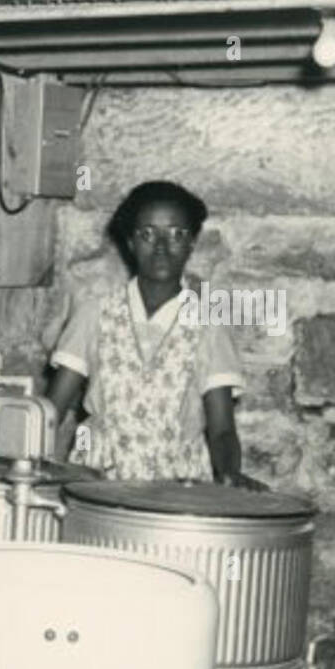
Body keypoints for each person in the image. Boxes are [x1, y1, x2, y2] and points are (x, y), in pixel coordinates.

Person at [45, 180, 261, 487]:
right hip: (99, 484)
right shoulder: (94, 314)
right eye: (147, 234)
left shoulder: (208, 326)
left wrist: (230, 472)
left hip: (177, 487)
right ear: (130, 243)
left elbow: (222, 429)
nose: (161, 247)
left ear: (191, 243)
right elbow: (52, 411)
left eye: (176, 235)